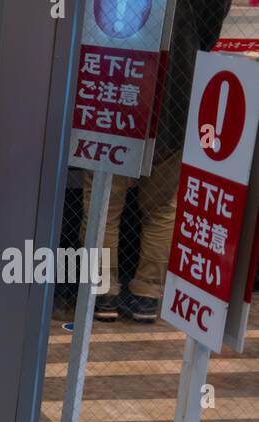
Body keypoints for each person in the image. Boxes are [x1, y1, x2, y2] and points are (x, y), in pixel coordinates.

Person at [84, 0, 230, 323]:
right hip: (176, 89)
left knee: (103, 200)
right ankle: (147, 293)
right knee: (163, 203)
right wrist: (190, 38)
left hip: (116, 83)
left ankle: (102, 290)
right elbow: (212, 22)